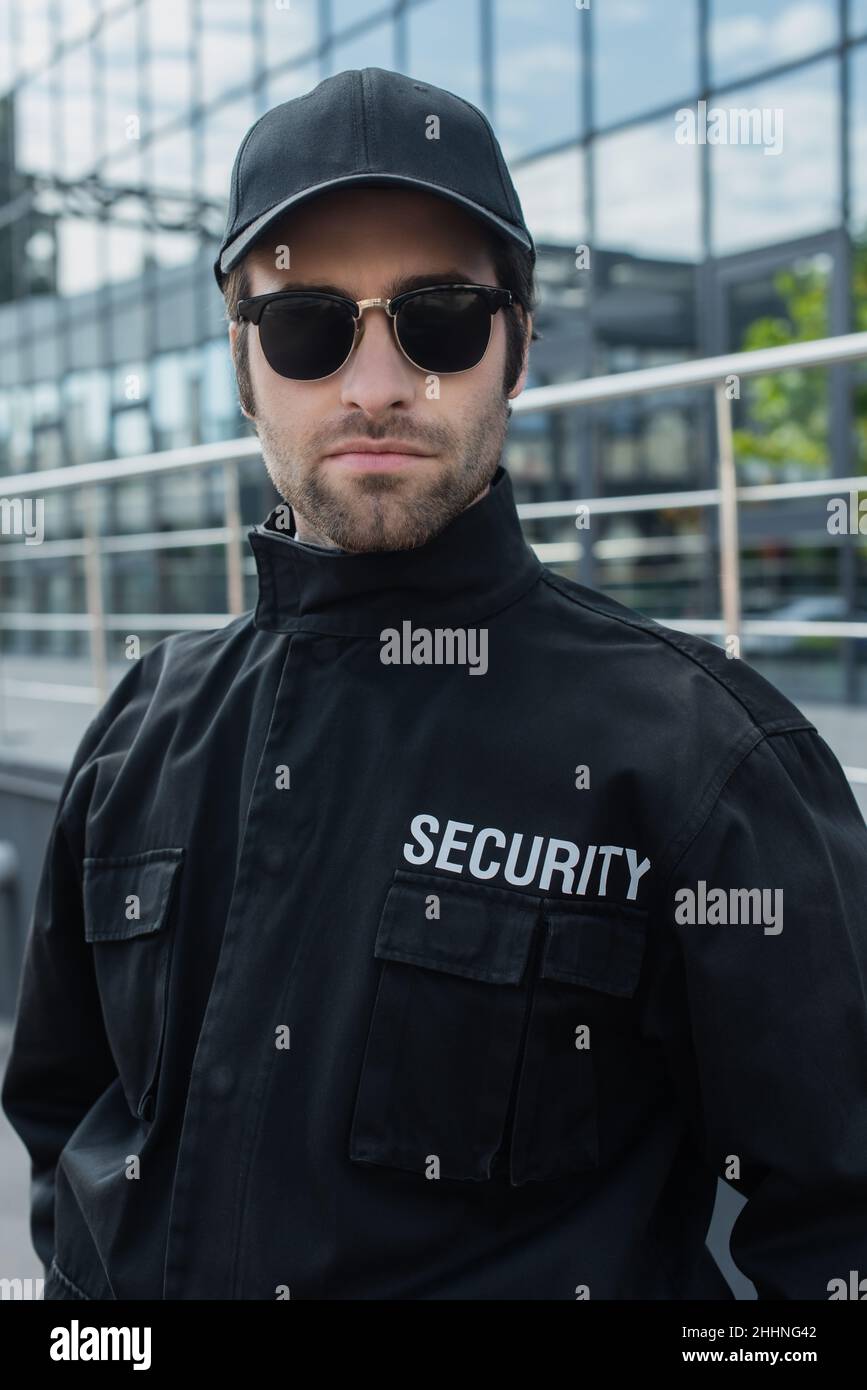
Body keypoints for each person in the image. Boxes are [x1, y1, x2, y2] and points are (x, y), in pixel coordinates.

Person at [3, 67, 867, 1302]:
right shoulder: (139, 732)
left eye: (441, 317)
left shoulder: (704, 762)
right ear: (243, 366)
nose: (374, 385)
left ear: (513, 347)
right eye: (306, 324)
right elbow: (62, 1118)